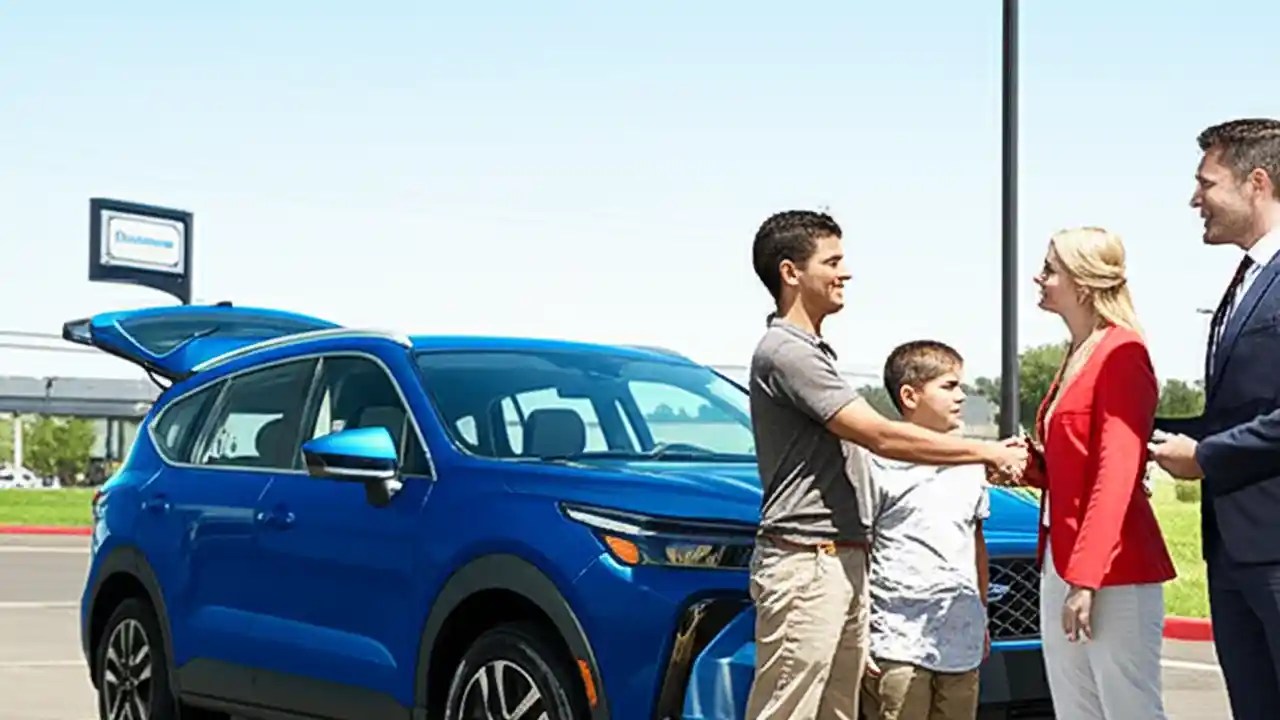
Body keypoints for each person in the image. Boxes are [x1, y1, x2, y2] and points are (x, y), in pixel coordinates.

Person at [744, 209, 1027, 720]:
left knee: (836, 711)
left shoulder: (813, 353)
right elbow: (879, 435)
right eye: (832, 261)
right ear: (791, 273)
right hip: (808, 561)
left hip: (839, 560)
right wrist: (986, 452)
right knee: (789, 708)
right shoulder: (788, 353)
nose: (845, 273)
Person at [1015, 226, 1176, 719]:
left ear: (1082, 283)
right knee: (1075, 709)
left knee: (1127, 707)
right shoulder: (1077, 354)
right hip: (1060, 562)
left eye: (1050, 269)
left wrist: (1085, 580)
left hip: (1113, 570)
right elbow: (1077, 464)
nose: (1039, 278)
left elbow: (1116, 474)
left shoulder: (1121, 353)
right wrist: (1028, 465)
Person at [1149, 118, 1280, 720]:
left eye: (1206, 183)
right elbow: (1236, 414)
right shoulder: (1243, 282)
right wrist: (1133, 426)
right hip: (1232, 552)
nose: (1194, 199)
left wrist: (1206, 458)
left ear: (1257, 183)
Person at [859, 340, 991, 720]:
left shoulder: (970, 462)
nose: (962, 396)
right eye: (949, 386)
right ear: (909, 395)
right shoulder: (878, 462)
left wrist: (981, 615)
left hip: (959, 638)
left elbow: (975, 542)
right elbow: (862, 547)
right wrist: (860, 630)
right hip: (897, 639)